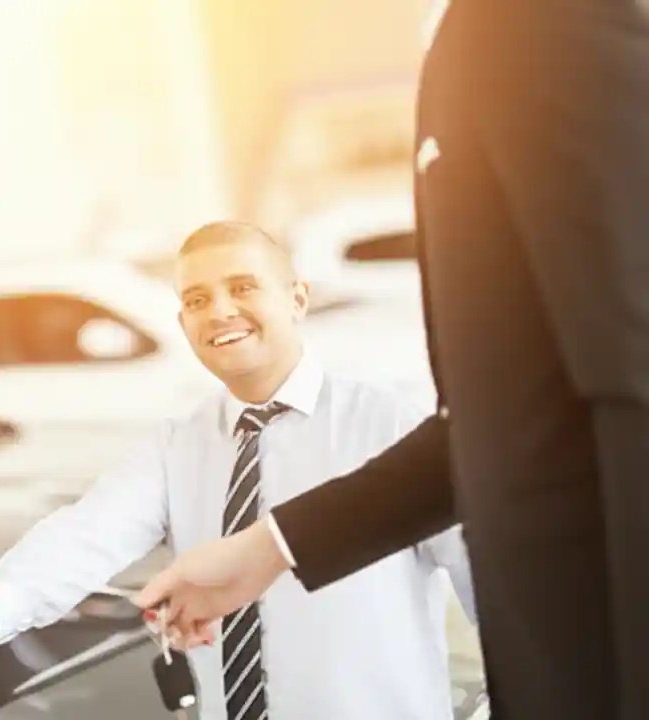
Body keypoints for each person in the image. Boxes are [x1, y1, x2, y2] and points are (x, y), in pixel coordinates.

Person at [135, 3, 649, 719]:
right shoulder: (477, 33)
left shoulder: (544, 20)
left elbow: (630, 376)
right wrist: (270, 549)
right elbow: (505, 412)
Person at [0, 221, 477, 720]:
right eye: (197, 300)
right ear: (182, 323)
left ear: (297, 298)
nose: (220, 311)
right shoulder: (178, 446)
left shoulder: (392, 427)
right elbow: (86, 534)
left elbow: (487, 581)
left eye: (243, 288)